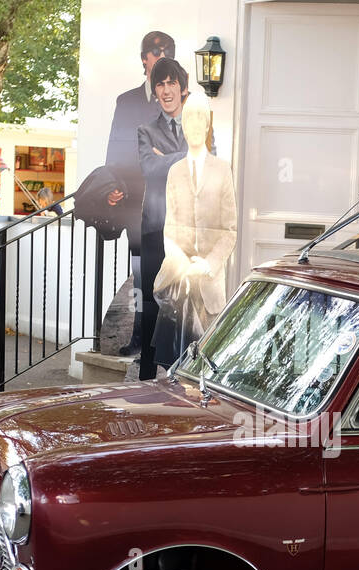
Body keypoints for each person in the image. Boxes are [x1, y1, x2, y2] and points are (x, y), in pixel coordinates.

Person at [152, 91, 236, 368]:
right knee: (172, 366)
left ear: (208, 125)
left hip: (209, 287)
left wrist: (208, 265)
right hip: (180, 284)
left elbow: (229, 230)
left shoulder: (223, 170)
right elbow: (170, 227)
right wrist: (181, 261)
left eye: (201, 120)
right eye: (190, 120)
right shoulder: (174, 171)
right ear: (184, 127)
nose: (196, 126)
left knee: (206, 365)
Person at [105, 30, 173, 355]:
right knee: (138, 275)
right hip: (135, 206)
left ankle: (163, 342)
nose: (161, 56)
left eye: (167, 51)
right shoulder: (127, 101)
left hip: (169, 207)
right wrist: (112, 186)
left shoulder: (180, 102)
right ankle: (138, 338)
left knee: (167, 275)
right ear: (145, 58)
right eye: (156, 51)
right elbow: (115, 150)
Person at [135, 57, 191, 380]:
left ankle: (180, 379)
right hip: (156, 228)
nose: (166, 90)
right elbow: (150, 170)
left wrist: (169, 159)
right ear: (154, 92)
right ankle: (146, 379)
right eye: (160, 84)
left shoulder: (200, 127)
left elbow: (206, 166)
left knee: (186, 308)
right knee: (152, 306)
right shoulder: (145, 131)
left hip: (189, 230)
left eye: (172, 83)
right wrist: (185, 157)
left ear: (183, 88)